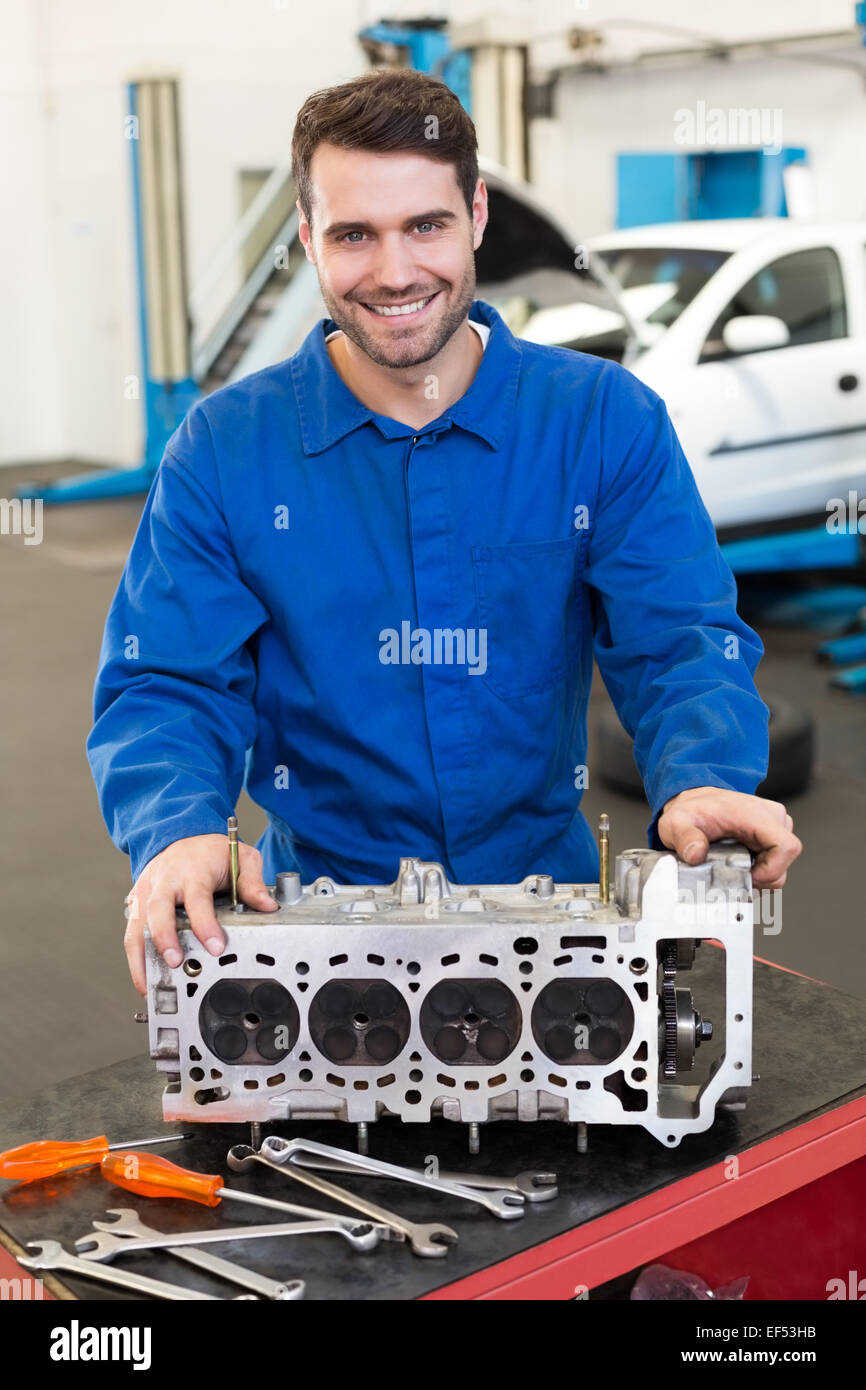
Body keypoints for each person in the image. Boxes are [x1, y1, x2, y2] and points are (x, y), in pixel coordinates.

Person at [87, 68, 801, 995]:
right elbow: (167, 679)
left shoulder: (602, 422)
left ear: (475, 214)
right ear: (308, 238)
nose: (394, 272)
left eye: (425, 225)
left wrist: (702, 776)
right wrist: (177, 828)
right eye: (354, 234)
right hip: (304, 933)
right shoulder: (224, 451)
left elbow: (677, 639)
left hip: (554, 923)